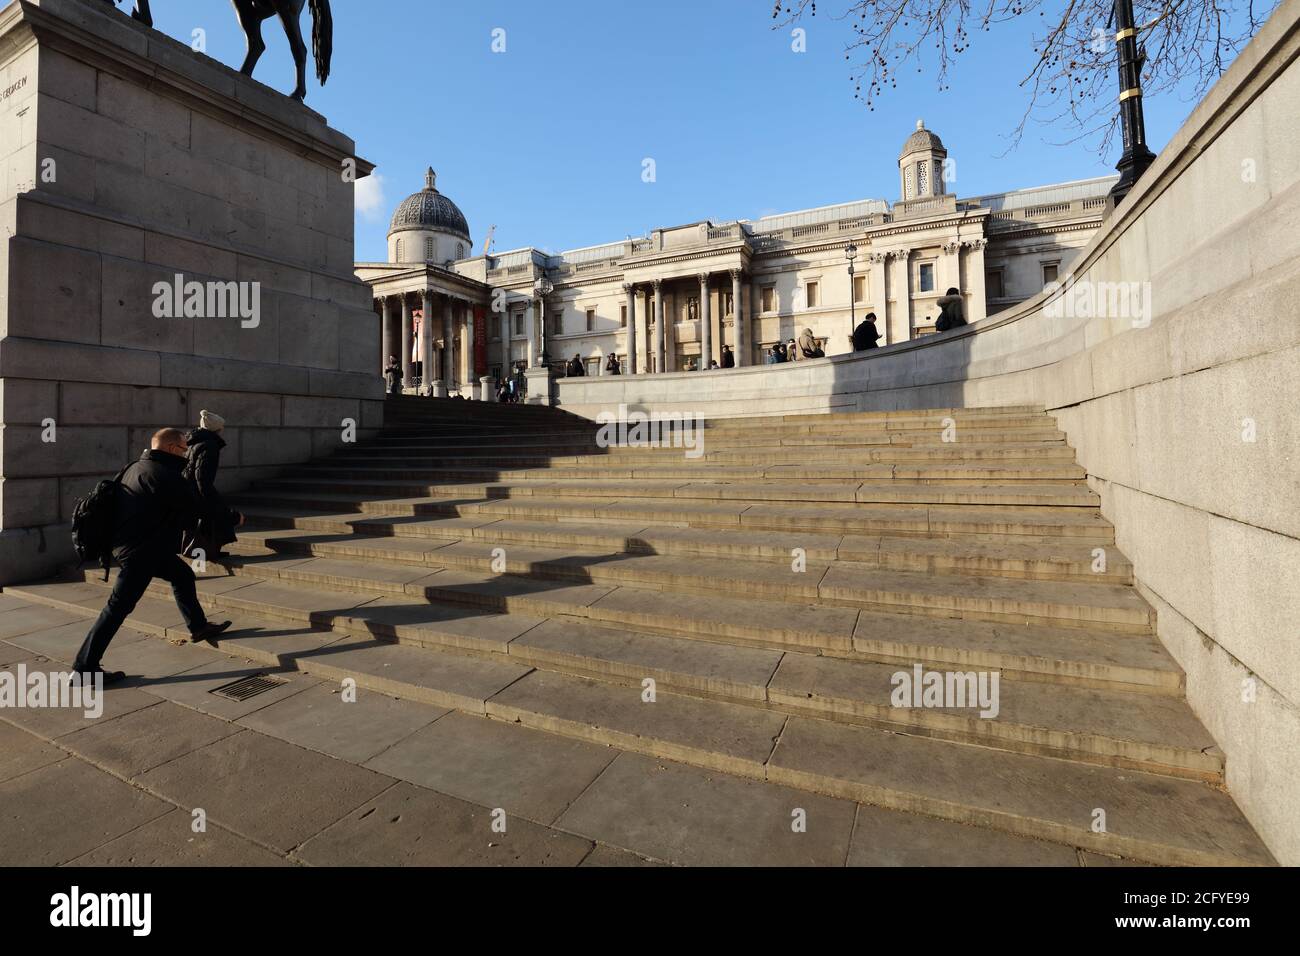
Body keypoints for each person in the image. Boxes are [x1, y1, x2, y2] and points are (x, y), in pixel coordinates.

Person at [71, 428, 232, 683]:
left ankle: (198, 626)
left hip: (140, 547)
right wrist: (232, 517)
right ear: (170, 448)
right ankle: (85, 668)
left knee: (182, 575)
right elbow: (196, 509)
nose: (187, 453)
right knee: (116, 609)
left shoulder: (134, 467)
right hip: (142, 553)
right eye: (183, 448)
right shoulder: (165, 475)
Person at [179, 411, 242, 563]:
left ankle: (206, 555)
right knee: (208, 524)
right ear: (217, 429)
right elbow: (203, 478)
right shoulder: (209, 445)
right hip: (198, 492)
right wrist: (210, 498)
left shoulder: (192, 441)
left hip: (189, 490)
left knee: (205, 525)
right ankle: (199, 561)